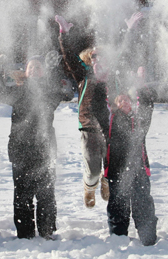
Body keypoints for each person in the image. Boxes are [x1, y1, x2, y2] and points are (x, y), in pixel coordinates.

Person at [0, 53, 71, 239]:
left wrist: (56, 71)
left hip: (45, 148)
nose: (34, 70)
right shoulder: (18, 91)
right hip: (20, 148)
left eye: (38, 67)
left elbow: (67, 94)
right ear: (26, 72)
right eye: (31, 67)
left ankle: (46, 231)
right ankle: (25, 232)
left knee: (46, 191)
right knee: (22, 193)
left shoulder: (50, 90)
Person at [55, 15, 111, 209]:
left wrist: (129, 31)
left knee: (111, 166)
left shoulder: (112, 77)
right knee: (93, 168)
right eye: (93, 56)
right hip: (88, 127)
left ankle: (105, 181)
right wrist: (64, 34)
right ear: (88, 58)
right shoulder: (83, 75)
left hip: (110, 127)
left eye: (100, 56)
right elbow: (69, 56)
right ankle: (90, 186)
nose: (97, 59)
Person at [105, 92, 158, 246]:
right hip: (116, 169)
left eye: (127, 99)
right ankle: (118, 236)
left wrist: (143, 88)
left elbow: (147, 106)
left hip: (138, 168)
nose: (124, 102)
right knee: (118, 203)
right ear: (115, 104)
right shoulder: (110, 119)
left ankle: (148, 236)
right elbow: (97, 107)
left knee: (143, 200)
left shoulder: (139, 119)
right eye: (120, 100)